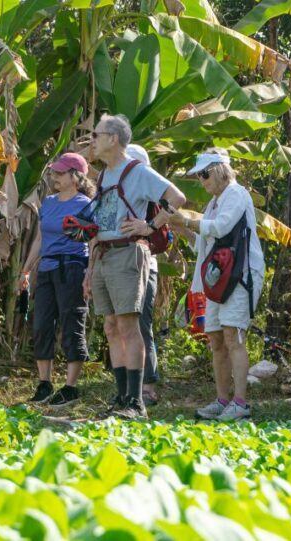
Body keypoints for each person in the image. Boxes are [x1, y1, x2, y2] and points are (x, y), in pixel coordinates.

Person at [83, 114, 186, 420]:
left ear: (113, 138)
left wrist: (149, 226)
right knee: (111, 326)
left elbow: (176, 197)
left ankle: (136, 401)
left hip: (127, 253)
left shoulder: (137, 171)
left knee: (129, 326)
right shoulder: (105, 174)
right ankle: (121, 396)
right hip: (104, 253)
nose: (92, 140)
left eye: (96, 134)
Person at [168, 149, 264, 421]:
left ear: (220, 170)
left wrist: (187, 220)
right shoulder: (213, 202)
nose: (201, 180)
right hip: (218, 277)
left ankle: (240, 403)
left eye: (204, 174)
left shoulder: (236, 194)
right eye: (199, 176)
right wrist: (182, 229)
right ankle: (222, 400)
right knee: (216, 338)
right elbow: (204, 245)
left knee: (233, 335)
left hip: (240, 275)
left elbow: (220, 227)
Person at [25, 153, 95, 407]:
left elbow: (92, 241)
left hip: (72, 268)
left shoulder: (85, 204)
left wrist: (90, 273)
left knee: (71, 323)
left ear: (76, 177)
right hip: (47, 268)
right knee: (42, 325)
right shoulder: (49, 202)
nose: (54, 176)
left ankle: (71, 386)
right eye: (54, 172)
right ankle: (44, 384)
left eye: (60, 172)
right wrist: (26, 269)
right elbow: (40, 239)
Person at [125, 144, 160, 406]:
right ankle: (130, 386)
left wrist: (147, 227)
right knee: (123, 325)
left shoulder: (152, 196)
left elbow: (174, 208)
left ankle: (147, 387)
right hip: (120, 264)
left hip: (146, 264)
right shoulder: (117, 192)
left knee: (141, 324)